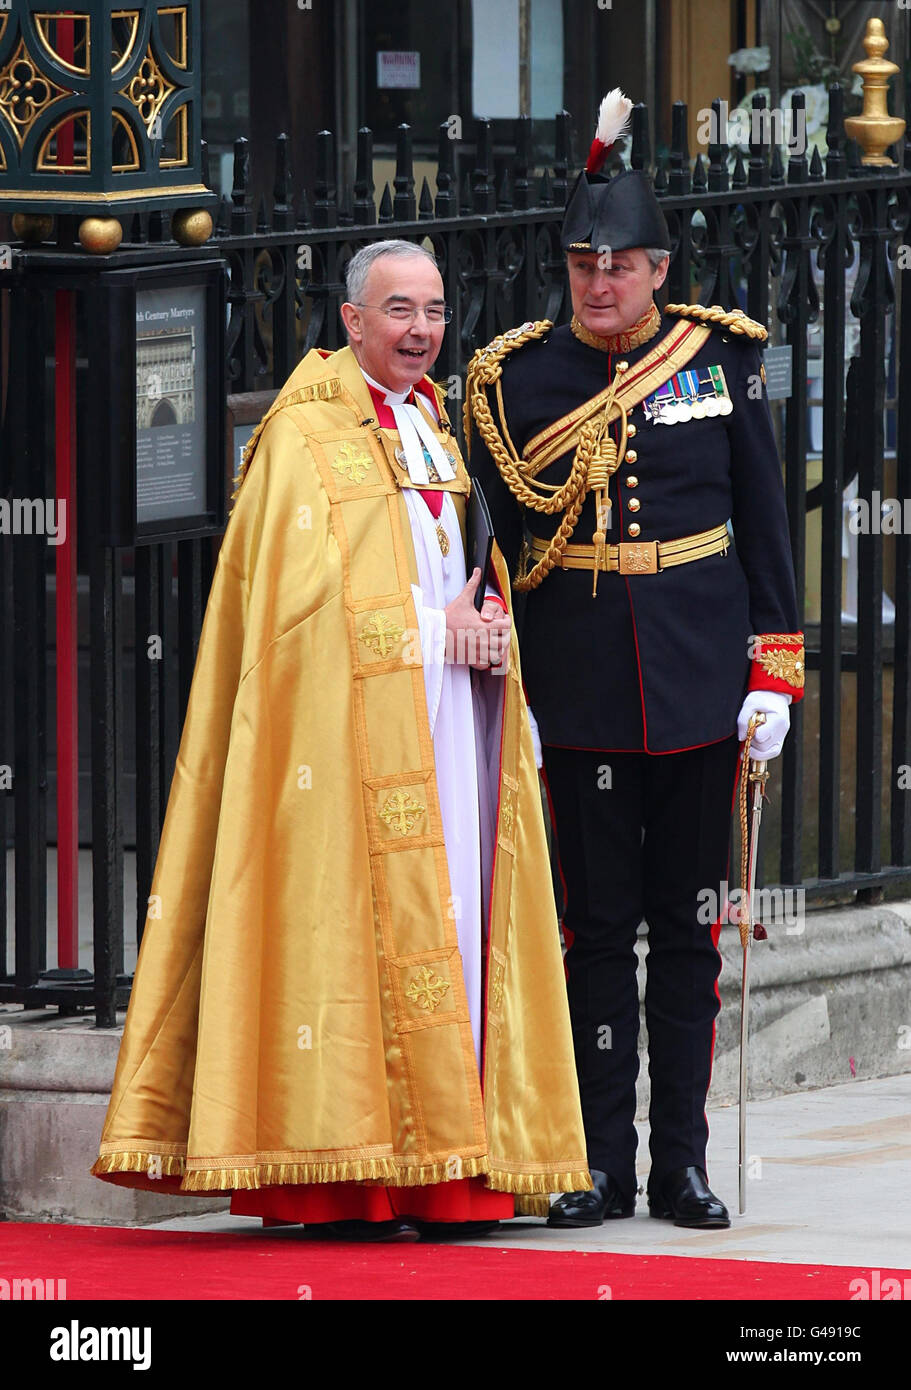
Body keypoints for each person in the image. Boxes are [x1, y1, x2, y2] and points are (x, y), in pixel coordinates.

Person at [92, 239, 590, 1242]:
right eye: (397, 310)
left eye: (435, 311)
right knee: (347, 942)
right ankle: (347, 1178)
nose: (419, 330)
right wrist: (425, 629)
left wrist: (487, 623)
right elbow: (293, 617)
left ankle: (448, 1174)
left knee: (453, 931)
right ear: (350, 321)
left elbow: (462, 561)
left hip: (450, 719)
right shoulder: (302, 437)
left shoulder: (437, 427)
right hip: (345, 743)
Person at [465, 93, 804, 1230]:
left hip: (702, 681)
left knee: (688, 933)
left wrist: (774, 673)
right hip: (583, 689)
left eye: (617, 264)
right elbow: (495, 544)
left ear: (658, 267)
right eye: (579, 264)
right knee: (593, 932)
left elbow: (764, 526)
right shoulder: (513, 381)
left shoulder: (718, 358)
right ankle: (595, 1159)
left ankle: (681, 1165)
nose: (596, 283)